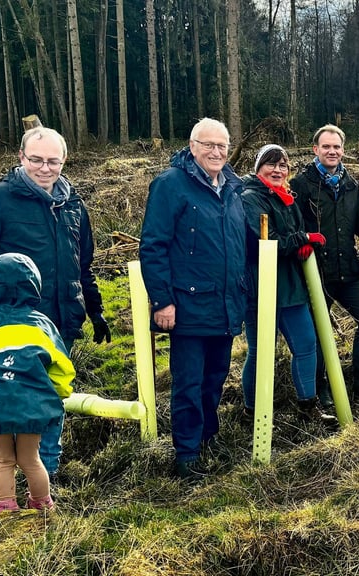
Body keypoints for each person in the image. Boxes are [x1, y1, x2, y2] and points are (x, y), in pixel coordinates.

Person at [0, 126, 108, 491]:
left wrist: (95, 310)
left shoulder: (74, 205)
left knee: (49, 407)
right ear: (21, 157)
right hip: (10, 330)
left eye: (53, 161)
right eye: (36, 160)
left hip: (59, 327)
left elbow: (83, 266)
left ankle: (42, 490)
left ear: (64, 161)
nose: (45, 168)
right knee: (7, 409)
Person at [140, 118, 247, 480]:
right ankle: (186, 455)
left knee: (216, 377)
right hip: (187, 306)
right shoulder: (171, 185)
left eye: (222, 146)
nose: (216, 152)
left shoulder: (233, 187)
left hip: (226, 305)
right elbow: (153, 246)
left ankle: (207, 438)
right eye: (208, 145)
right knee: (188, 382)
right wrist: (162, 300)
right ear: (192, 146)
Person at [291, 125, 359, 407]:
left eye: (337, 147)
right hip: (316, 274)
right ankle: (322, 389)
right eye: (326, 146)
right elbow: (294, 226)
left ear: (343, 150)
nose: (332, 151)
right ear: (315, 149)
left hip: (349, 272)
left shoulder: (351, 185)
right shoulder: (301, 184)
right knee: (317, 333)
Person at [0, 253, 74, 514]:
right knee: (31, 458)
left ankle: (5, 508)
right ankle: (42, 505)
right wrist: (57, 393)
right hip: (32, 402)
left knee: (3, 458)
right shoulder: (41, 324)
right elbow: (62, 366)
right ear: (33, 285)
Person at [241, 144, 337, 426]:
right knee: (260, 351)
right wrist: (302, 239)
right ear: (259, 168)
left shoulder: (287, 199)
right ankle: (252, 411)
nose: (278, 170)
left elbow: (291, 234)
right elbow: (265, 242)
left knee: (306, 345)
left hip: (291, 285)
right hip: (262, 286)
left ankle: (307, 406)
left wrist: (299, 247)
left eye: (283, 165)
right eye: (271, 164)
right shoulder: (250, 198)